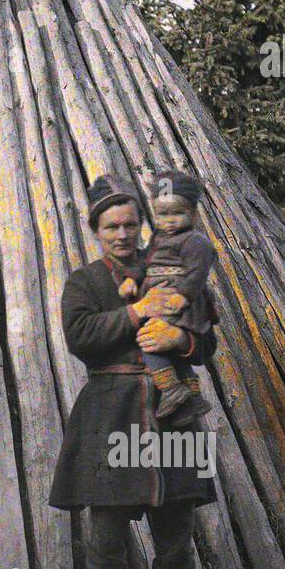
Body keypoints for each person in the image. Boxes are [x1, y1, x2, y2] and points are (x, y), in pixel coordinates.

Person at [49, 173, 218, 569]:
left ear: (143, 225)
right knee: (106, 527)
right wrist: (138, 312)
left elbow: (206, 341)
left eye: (129, 225)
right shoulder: (85, 281)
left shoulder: (173, 267)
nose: (122, 235)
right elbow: (80, 336)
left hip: (173, 413)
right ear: (96, 231)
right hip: (111, 412)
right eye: (110, 228)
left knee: (176, 524)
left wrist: (179, 343)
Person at [119, 170, 216, 424]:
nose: (169, 221)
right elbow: (144, 264)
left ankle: (172, 389)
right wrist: (133, 280)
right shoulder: (157, 239)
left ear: (193, 214)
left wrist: (183, 297)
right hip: (159, 296)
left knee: (146, 336)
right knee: (161, 343)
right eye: (162, 214)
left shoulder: (196, 242)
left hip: (176, 299)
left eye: (177, 213)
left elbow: (197, 273)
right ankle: (190, 395)